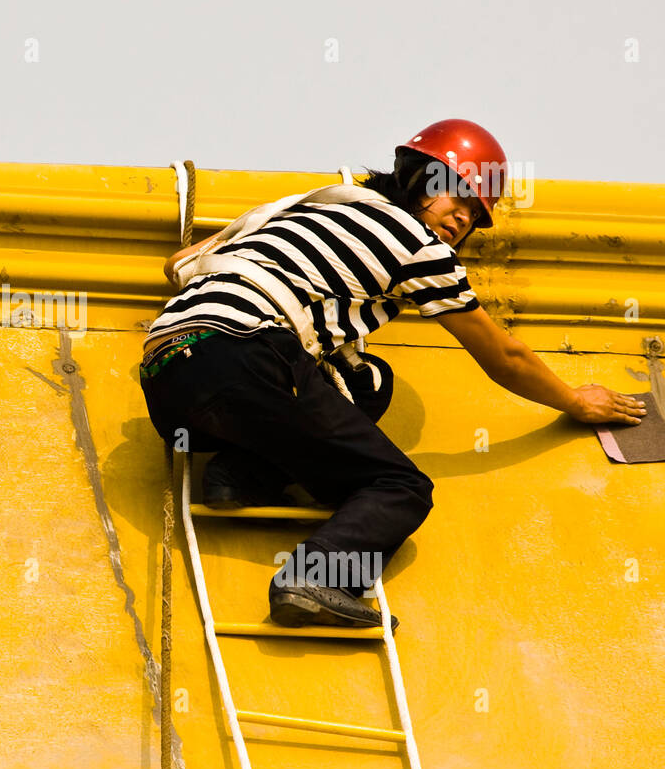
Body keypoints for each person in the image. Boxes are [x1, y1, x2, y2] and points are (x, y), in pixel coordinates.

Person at [141, 120, 646, 631]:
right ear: (418, 179)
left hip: (166, 376)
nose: (461, 220)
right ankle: (316, 578)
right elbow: (502, 355)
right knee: (400, 486)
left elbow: (178, 263)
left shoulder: (310, 206)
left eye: (473, 215)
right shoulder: (418, 245)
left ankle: (236, 474)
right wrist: (575, 401)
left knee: (366, 383)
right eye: (457, 197)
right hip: (249, 354)